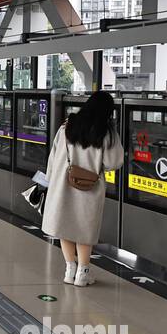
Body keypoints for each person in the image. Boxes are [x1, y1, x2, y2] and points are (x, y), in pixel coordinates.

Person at [41, 91, 124, 287]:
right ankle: (83, 273)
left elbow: (53, 157)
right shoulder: (106, 132)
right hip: (90, 188)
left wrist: (50, 181)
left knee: (64, 226)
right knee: (84, 229)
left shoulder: (67, 126)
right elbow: (114, 162)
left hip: (62, 185)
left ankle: (70, 269)